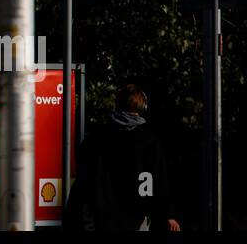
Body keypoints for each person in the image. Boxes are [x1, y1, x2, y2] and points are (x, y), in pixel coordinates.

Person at [63, 83, 181, 231]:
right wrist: (167, 214)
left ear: (116, 105)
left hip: (101, 219)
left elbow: (85, 184)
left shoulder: (96, 139)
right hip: (137, 217)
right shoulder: (149, 142)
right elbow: (158, 180)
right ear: (142, 107)